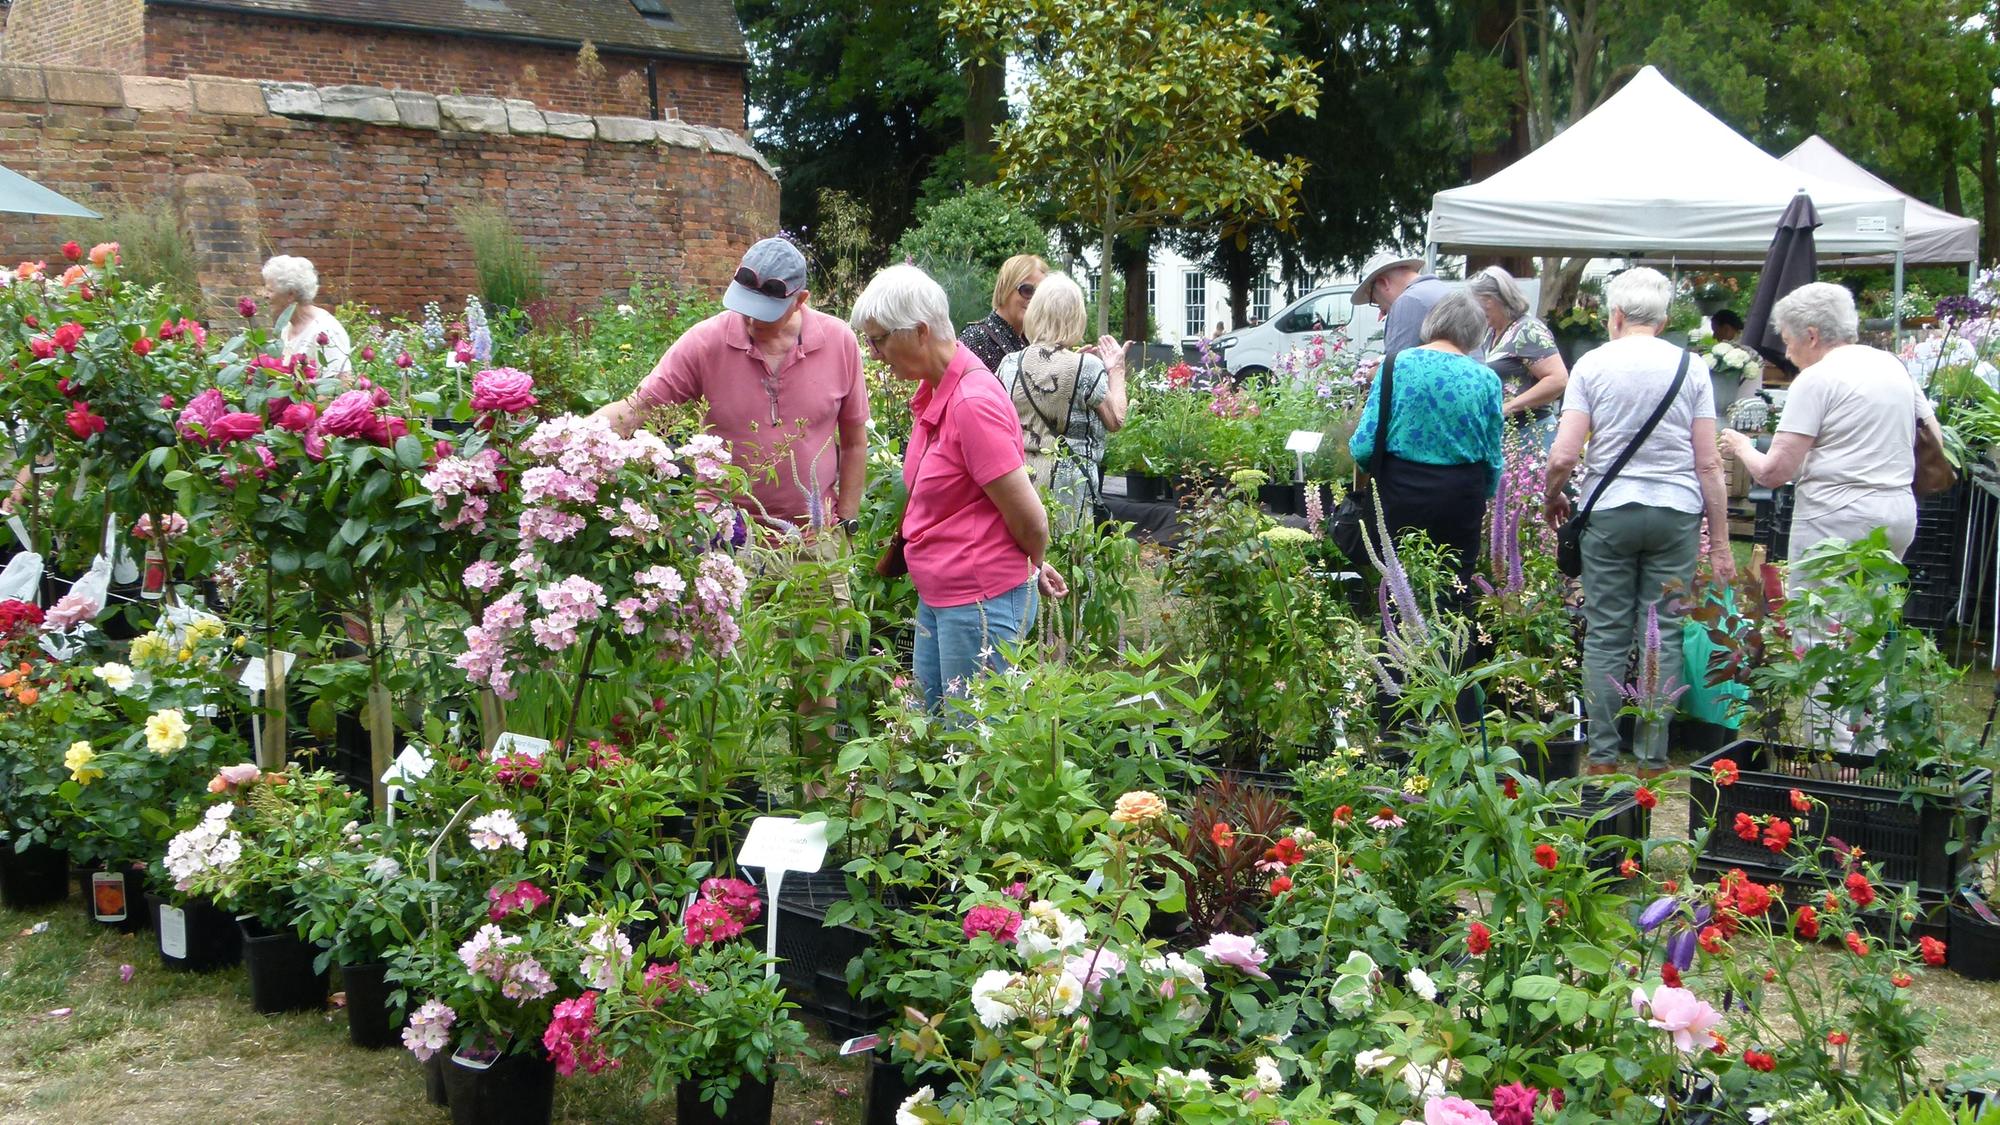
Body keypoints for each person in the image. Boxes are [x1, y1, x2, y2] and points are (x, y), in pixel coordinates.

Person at [1544, 267, 1734, 778]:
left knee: (1607, 633)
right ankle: (1652, 757)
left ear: (1616, 316)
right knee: (1663, 633)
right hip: (1676, 513)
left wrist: (1552, 498)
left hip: (1611, 511)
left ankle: (1603, 757)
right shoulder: (1692, 368)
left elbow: (1564, 454)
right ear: (1666, 319)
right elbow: (1710, 463)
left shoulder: (1591, 365)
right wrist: (1720, 543)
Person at [851, 264, 1068, 708]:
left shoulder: (971, 403)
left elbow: (1030, 518)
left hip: (978, 600)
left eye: (879, 340)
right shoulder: (935, 391)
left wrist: (1033, 562)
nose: (874, 354)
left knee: (972, 744)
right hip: (946, 595)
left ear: (920, 332)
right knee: (933, 733)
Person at [596, 237, 869, 541]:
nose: (751, 319)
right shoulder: (706, 342)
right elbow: (637, 407)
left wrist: (846, 521)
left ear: (800, 300)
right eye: (744, 305)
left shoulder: (839, 342)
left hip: (814, 537)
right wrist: (578, 437)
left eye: (765, 312)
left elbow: (854, 442)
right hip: (723, 535)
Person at [1720, 282, 1940, 563]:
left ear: (1811, 336)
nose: (1787, 354)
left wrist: (1742, 446)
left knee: (1819, 607)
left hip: (1835, 520)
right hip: (1897, 513)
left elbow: (1772, 473)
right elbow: (1934, 437)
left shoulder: (1816, 378)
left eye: (1788, 342)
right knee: (1873, 606)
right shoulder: (1893, 364)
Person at [1347, 290, 1505, 595]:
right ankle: (1454, 642)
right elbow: (1492, 456)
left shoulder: (1396, 366)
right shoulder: (1486, 379)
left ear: (1433, 321)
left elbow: (1365, 446)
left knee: (1397, 589)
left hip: (1400, 492)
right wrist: (1480, 493)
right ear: (1476, 331)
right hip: (1461, 495)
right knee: (1454, 588)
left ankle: (1396, 642)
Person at [993, 274, 1128, 531]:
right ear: (1076, 316)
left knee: (1028, 562)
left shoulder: (1009, 364)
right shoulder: (1087, 367)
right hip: (1070, 491)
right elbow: (1116, 419)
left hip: (1018, 484)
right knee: (1070, 561)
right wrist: (1117, 370)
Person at [1469, 266, 1568, 443]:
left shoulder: (1528, 329)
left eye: (1477, 303)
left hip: (1532, 432)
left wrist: (1509, 407)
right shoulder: (1490, 333)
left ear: (1490, 299)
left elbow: (1558, 380)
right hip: (1506, 434)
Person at [261, 255, 352, 376]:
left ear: (291, 295)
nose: (264, 295)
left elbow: (341, 382)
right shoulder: (286, 327)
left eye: (270, 290)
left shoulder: (326, 330)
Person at [959, 254, 1049, 373]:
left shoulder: (1034, 342)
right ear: (1005, 288)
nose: (1033, 300)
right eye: (1027, 290)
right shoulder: (976, 337)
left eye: (1040, 295)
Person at [1357, 251, 1457, 357]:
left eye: (1375, 301)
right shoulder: (1444, 289)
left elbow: (1396, 367)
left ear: (1383, 283)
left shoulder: (1409, 300)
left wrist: (1373, 372)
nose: (1381, 310)